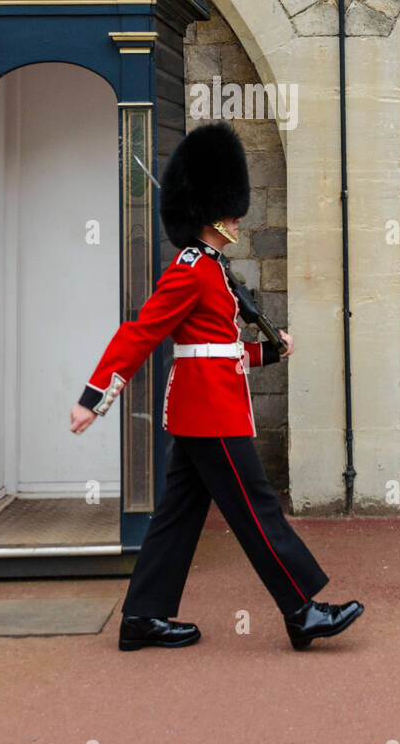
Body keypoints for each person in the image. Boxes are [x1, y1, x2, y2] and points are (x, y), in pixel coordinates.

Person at [70, 120, 363, 652]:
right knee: (257, 508)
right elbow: (141, 333)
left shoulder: (213, 268)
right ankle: (301, 611)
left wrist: (270, 350)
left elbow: (219, 349)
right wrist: (96, 395)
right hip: (210, 412)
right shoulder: (189, 270)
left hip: (209, 405)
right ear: (212, 210)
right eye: (229, 210)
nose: (236, 218)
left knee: (178, 515)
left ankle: (142, 617)